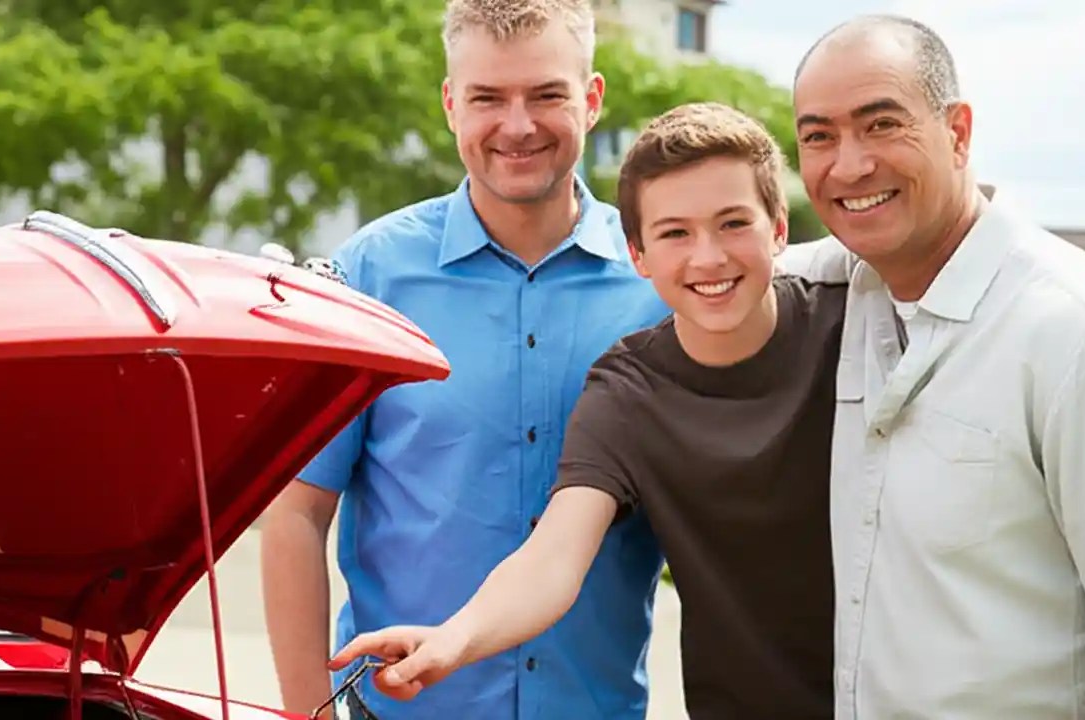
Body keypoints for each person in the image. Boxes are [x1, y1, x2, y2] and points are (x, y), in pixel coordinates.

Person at [329, 102, 847, 720]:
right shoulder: (628, 391)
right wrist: (454, 640)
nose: (708, 257)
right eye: (675, 233)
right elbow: (554, 557)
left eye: (734, 223)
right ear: (639, 255)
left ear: (780, 229)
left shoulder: (851, 325)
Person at [259, 1, 671, 718]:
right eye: (488, 98)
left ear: (592, 99)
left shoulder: (657, 282)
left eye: (546, 94)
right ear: (452, 105)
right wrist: (306, 714)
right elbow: (297, 513)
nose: (518, 126)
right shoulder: (369, 277)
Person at [778, 14, 1085, 719]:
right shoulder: (845, 289)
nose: (849, 165)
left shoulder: (1078, 330)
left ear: (957, 133)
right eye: (818, 137)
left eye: (881, 124)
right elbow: (715, 276)